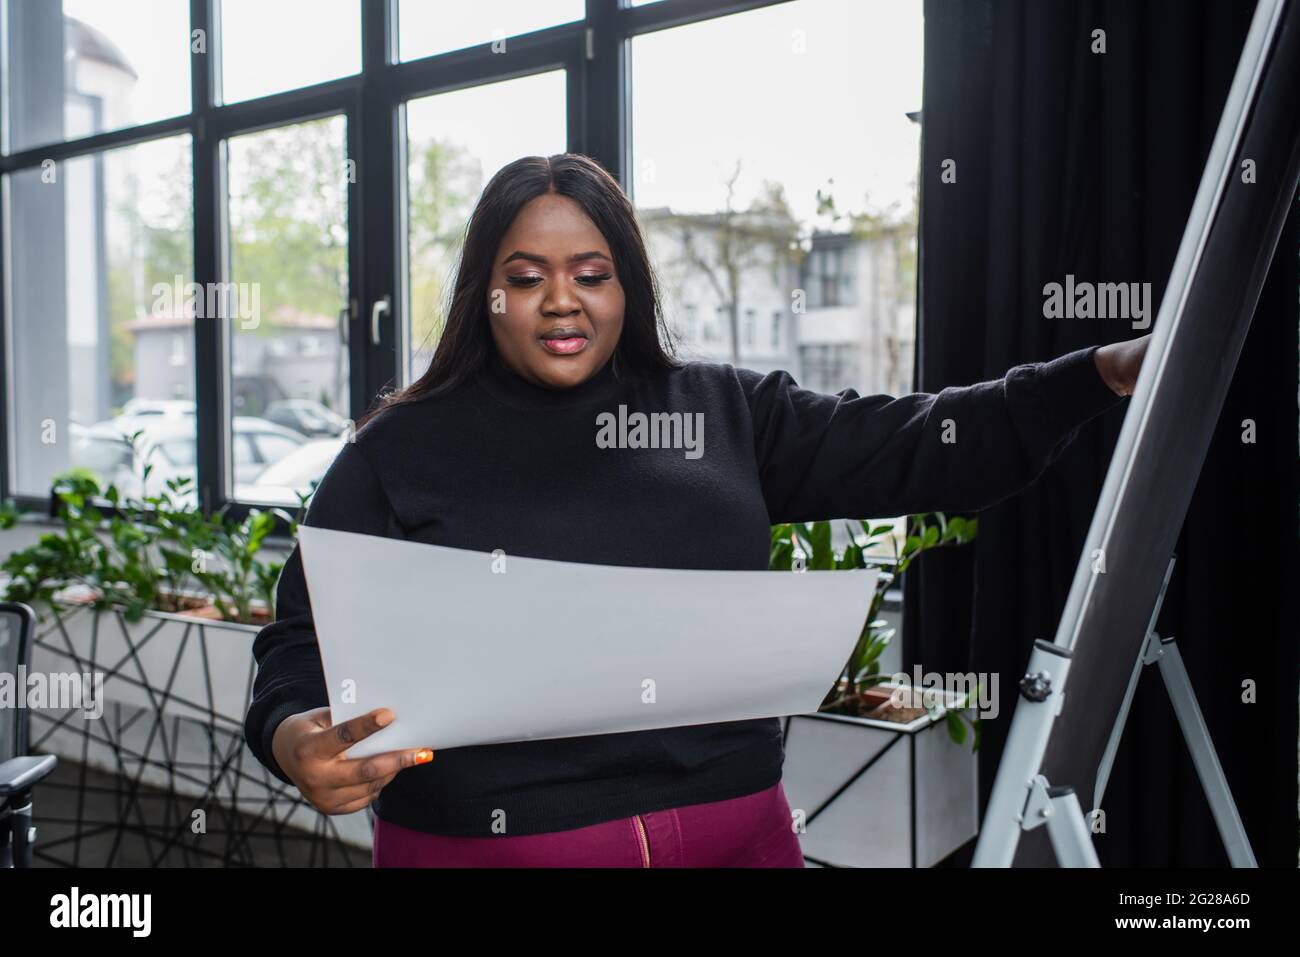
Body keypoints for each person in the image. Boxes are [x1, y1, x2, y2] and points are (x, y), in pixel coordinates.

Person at [243, 152, 1147, 868]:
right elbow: (298, 638)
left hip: (742, 835)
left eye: (591, 273)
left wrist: (1095, 375)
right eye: (526, 276)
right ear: (487, 291)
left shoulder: (725, 411)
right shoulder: (399, 448)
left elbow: (918, 442)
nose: (561, 299)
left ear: (626, 287)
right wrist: (293, 739)